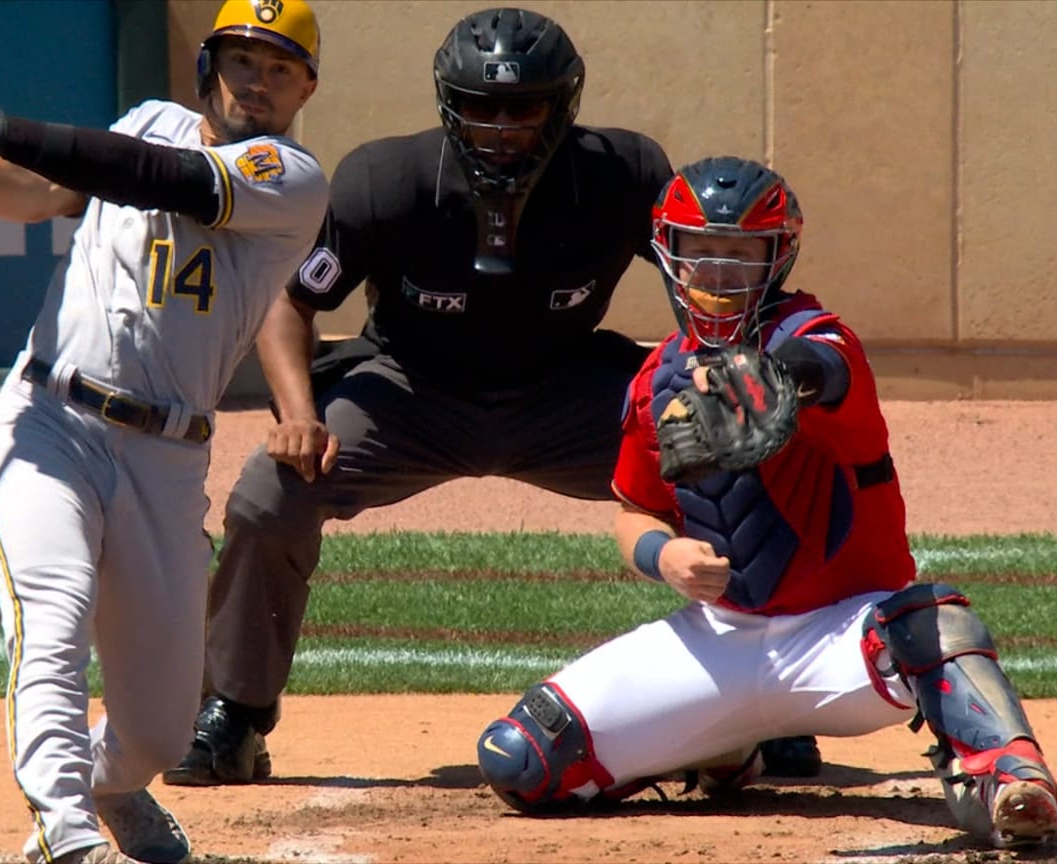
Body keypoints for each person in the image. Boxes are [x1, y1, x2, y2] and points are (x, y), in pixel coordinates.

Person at [159, 5, 818, 787]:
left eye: (522, 107)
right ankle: (234, 712)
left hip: (567, 390)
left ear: (563, 105)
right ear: (449, 104)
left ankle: (771, 702)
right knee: (272, 492)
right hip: (407, 393)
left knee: (736, 455)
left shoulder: (623, 174)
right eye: (481, 107)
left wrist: (727, 379)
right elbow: (289, 303)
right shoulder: (385, 179)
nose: (501, 126)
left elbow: (700, 267)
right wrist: (298, 417)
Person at [473, 156, 1057, 849]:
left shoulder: (815, 338)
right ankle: (722, 745)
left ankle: (1010, 775)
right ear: (669, 255)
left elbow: (827, 372)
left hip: (841, 640)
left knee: (931, 619)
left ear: (777, 257)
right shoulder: (654, 378)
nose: (719, 276)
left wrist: (762, 382)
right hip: (719, 641)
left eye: (740, 256)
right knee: (521, 758)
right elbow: (633, 511)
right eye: (701, 252)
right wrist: (664, 554)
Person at [0, 2, 328, 862]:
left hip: (167, 461)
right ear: (210, 67)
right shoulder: (152, 120)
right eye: (242, 60)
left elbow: (160, 179)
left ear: (306, 87)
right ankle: (65, 834)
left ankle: (107, 786)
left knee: (161, 732)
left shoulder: (292, 179)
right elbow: (45, 191)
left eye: (280, 68)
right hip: (50, 421)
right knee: (52, 620)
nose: (258, 82)